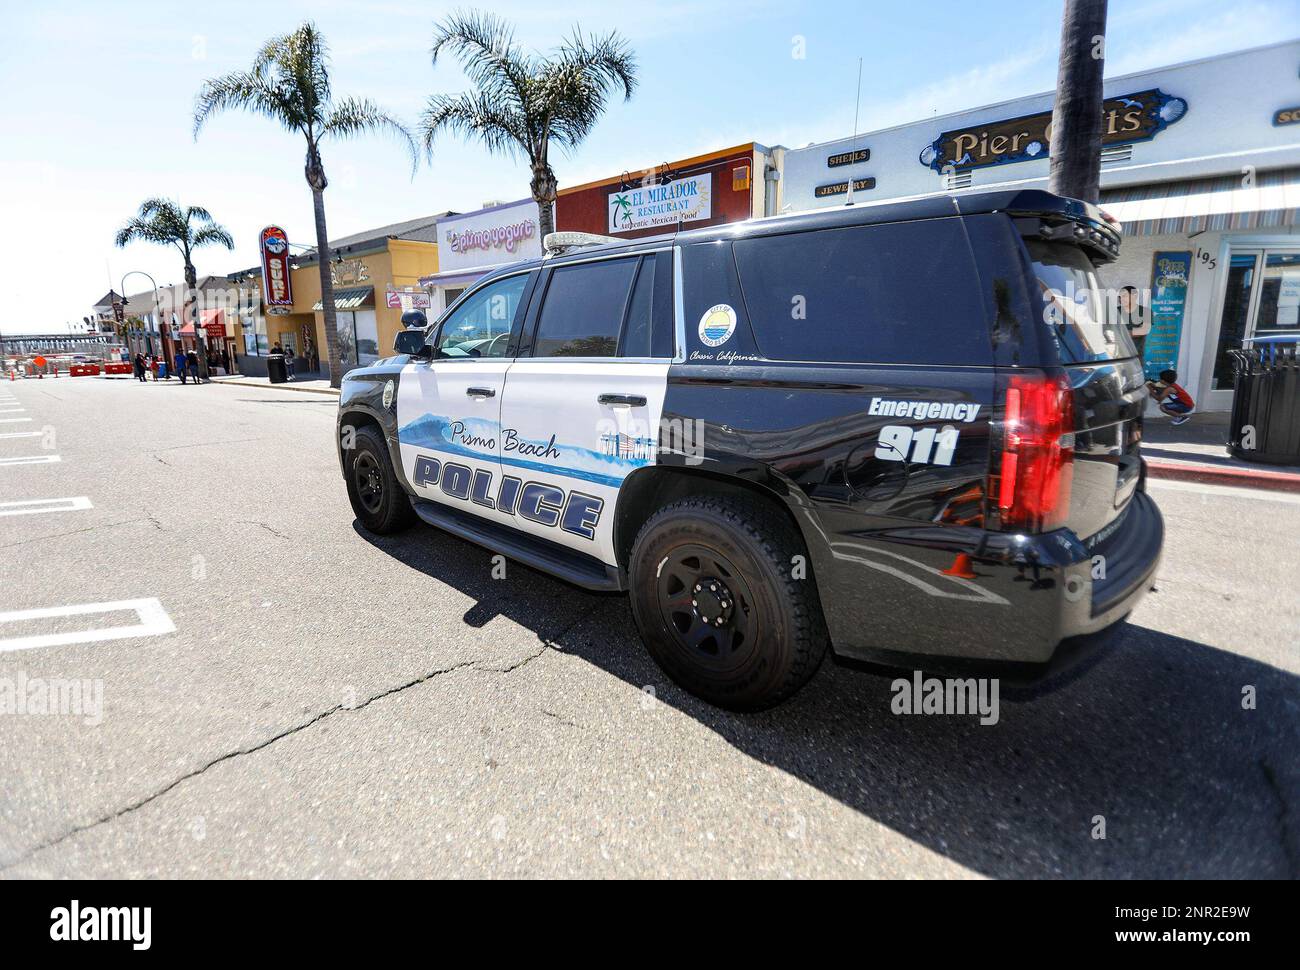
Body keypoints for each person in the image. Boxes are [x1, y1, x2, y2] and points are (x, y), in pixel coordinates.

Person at [1117, 286, 1149, 360]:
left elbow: (1143, 331)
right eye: (1120, 296)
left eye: (1124, 296)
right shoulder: (1114, 311)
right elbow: (1108, 330)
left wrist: (1120, 334)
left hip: (1135, 355)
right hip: (1117, 355)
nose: (1121, 299)